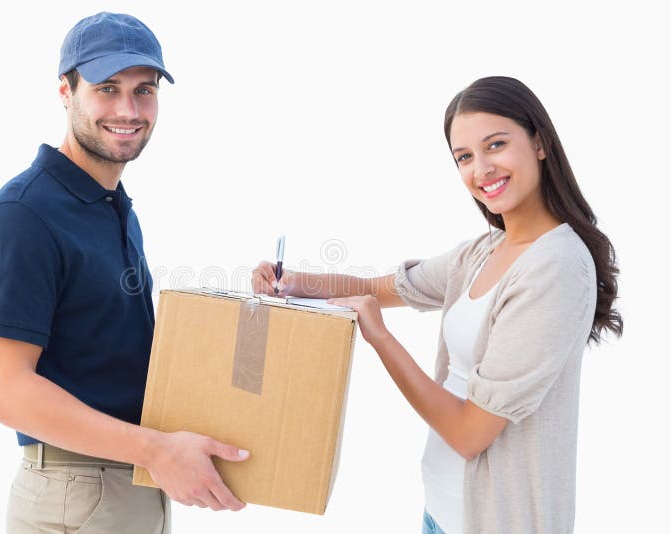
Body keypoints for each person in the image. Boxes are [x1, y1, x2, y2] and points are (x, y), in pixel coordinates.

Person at [252, 76, 622, 534]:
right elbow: (378, 288)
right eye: (464, 157)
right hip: (441, 512)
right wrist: (289, 283)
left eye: (496, 145)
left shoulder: (556, 267)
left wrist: (381, 340)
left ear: (540, 143)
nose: (481, 169)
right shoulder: (483, 252)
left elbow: (470, 434)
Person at [0, 12, 249, 534]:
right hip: (79, 490)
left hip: (127, 483)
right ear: (65, 92)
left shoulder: (109, 205)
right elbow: (3, 390)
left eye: (144, 90)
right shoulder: (24, 217)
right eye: (107, 88)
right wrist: (157, 451)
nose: (128, 110)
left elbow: (106, 353)